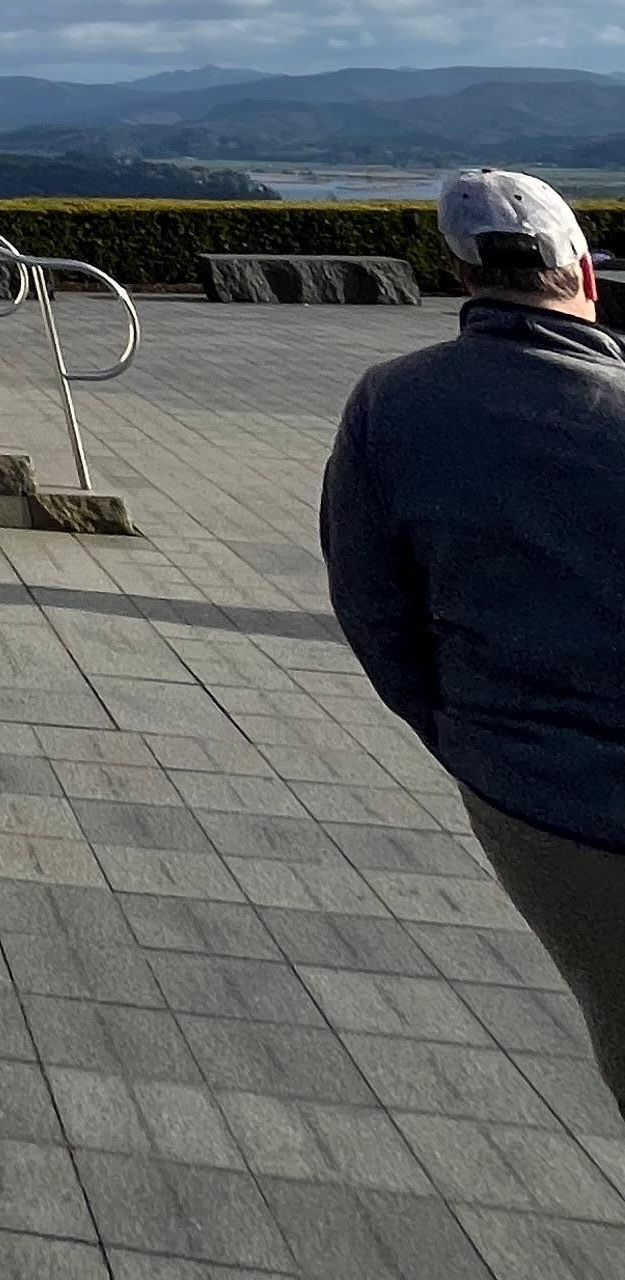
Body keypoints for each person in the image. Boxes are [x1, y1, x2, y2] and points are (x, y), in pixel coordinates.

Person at [320, 169, 625, 1109]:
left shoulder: (391, 403)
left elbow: (373, 610)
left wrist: (466, 733)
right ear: (585, 270)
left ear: (459, 276)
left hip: (531, 802)